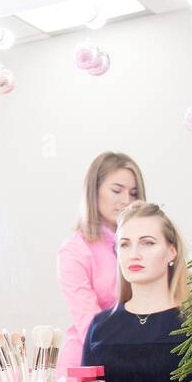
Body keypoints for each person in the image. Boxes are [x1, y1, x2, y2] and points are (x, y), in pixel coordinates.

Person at [82, 201, 190, 382]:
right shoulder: (100, 327)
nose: (134, 254)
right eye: (124, 244)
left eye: (147, 243)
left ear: (171, 252)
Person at [56, 151, 148, 370]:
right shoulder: (74, 251)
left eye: (133, 193)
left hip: (138, 356)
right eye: (117, 190)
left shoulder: (145, 243)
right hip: (89, 364)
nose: (126, 200)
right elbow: (91, 325)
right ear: (93, 191)